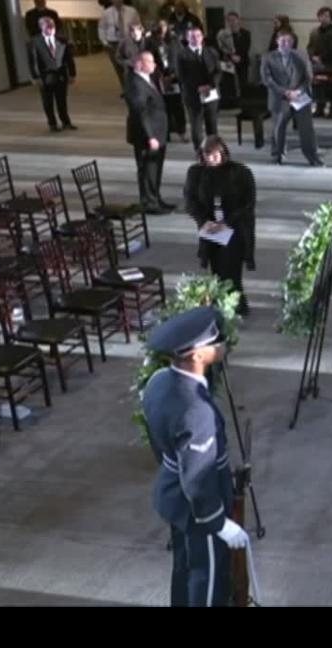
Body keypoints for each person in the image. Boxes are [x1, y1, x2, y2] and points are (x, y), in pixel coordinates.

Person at [142, 306, 251, 608]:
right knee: (207, 579)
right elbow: (199, 479)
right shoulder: (197, 411)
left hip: (172, 496)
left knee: (184, 568)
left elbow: (158, 443)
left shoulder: (159, 381)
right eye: (214, 343)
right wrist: (219, 523)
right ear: (196, 355)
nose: (220, 346)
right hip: (198, 511)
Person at [184, 136, 257, 318]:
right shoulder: (196, 173)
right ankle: (222, 301)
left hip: (235, 227)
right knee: (216, 267)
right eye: (207, 154)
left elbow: (248, 203)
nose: (211, 158)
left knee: (231, 268)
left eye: (215, 153)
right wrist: (205, 223)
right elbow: (190, 202)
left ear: (222, 152)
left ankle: (236, 304)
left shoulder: (240, 172)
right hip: (211, 228)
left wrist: (226, 222)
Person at [260, 31, 324, 166]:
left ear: (292, 43)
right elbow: (267, 79)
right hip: (280, 98)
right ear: (277, 41)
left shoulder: (301, 56)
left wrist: (298, 91)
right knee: (279, 128)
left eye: (288, 41)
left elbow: (308, 77)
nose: (285, 44)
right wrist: (285, 92)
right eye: (282, 41)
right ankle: (278, 155)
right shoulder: (268, 57)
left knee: (307, 129)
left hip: (300, 97)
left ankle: (312, 156)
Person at [125, 51, 172, 214]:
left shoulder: (146, 79)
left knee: (155, 169)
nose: (154, 64)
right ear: (139, 64)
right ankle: (149, 203)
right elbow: (141, 112)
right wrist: (150, 136)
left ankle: (156, 198)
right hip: (147, 136)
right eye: (150, 61)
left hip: (157, 133)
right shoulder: (136, 84)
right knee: (148, 170)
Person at [177, 26, 223, 154]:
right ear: (187, 38)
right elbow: (182, 76)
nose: (195, 39)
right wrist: (199, 88)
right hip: (193, 95)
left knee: (212, 125)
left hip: (211, 94)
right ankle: (200, 152)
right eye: (192, 36)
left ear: (202, 37)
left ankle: (213, 150)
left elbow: (218, 71)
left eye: (198, 36)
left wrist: (210, 85)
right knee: (196, 126)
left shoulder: (211, 52)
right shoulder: (182, 55)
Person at [27, 17, 77, 133]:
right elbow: (32, 61)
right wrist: (35, 77)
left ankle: (66, 122)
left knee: (62, 99)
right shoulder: (34, 42)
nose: (50, 28)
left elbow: (68, 58)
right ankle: (52, 124)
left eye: (52, 26)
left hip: (60, 74)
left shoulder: (62, 40)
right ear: (41, 27)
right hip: (44, 75)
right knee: (47, 101)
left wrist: (72, 74)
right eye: (47, 26)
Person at [146, 18, 188, 143]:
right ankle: (165, 133)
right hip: (158, 78)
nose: (161, 28)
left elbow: (181, 57)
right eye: (159, 26)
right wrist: (160, 76)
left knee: (177, 106)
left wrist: (175, 74)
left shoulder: (174, 40)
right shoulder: (150, 41)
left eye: (164, 26)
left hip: (174, 78)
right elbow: (148, 59)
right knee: (163, 107)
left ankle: (182, 132)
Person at [307, 6, 332, 119]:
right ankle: (319, 109)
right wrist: (312, 56)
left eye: (327, 16)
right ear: (318, 17)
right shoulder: (314, 32)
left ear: (331, 18)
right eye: (322, 16)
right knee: (319, 88)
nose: (324, 18)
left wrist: (321, 57)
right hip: (317, 64)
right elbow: (310, 46)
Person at [98, 0, 140, 92]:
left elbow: (137, 25)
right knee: (119, 67)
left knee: (131, 65)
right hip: (113, 43)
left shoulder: (131, 11)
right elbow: (101, 28)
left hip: (128, 42)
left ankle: (134, 86)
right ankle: (126, 89)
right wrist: (104, 42)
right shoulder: (106, 13)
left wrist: (137, 38)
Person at [216, 12, 253, 97]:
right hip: (227, 61)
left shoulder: (246, 33)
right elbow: (221, 48)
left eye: (233, 20)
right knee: (228, 84)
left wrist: (239, 57)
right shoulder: (223, 34)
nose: (231, 22)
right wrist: (231, 56)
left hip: (242, 61)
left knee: (242, 83)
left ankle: (242, 102)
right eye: (229, 20)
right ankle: (231, 103)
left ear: (238, 20)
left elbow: (246, 47)